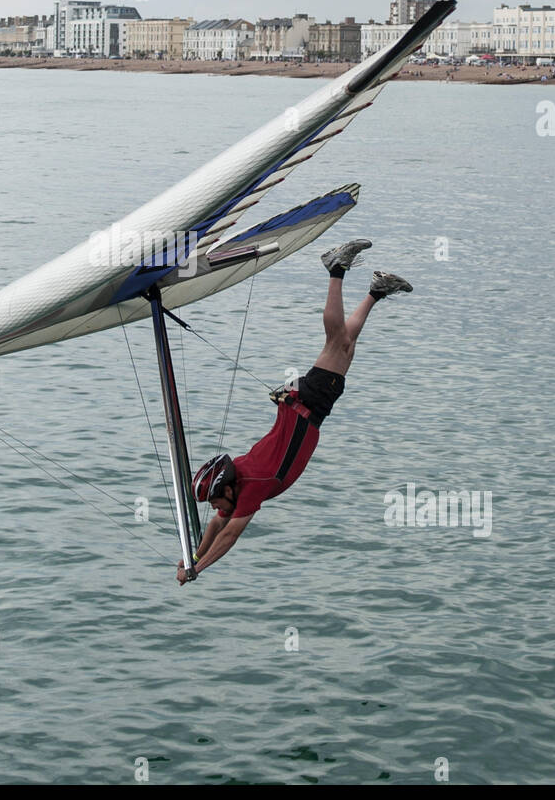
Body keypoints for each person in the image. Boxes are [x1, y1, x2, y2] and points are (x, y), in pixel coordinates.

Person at [176, 239, 412, 584]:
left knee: (336, 341)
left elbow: (228, 536)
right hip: (303, 405)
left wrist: (198, 569)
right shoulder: (237, 483)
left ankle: (336, 269)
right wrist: (193, 557)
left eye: (214, 499)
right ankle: (377, 290)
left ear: (226, 488)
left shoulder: (251, 487)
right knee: (345, 346)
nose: (215, 509)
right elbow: (217, 525)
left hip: (307, 404)